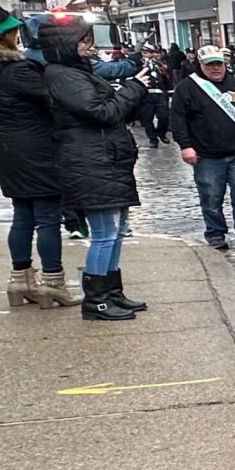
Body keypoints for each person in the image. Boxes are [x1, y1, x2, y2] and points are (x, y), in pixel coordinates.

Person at [0, 0, 73, 310]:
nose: (17, 35)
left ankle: (19, 280)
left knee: (22, 214)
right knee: (48, 217)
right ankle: (53, 282)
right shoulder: (17, 72)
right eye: (12, 31)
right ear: (1, 36)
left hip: (4, 147)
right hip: (36, 147)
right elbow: (55, 98)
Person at [38, 18, 149, 321]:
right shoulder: (64, 76)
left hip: (104, 158)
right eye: (83, 41)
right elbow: (99, 112)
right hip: (90, 161)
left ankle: (112, 292)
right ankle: (97, 300)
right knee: (104, 232)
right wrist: (133, 88)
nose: (88, 47)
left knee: (115, 231)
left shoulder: (75, 73)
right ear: (66, 45)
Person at [170, 41, 235, 251]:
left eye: (219, 63)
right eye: (210, 64)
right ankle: (216, 233)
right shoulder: (187, 88)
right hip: (206, 154)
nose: (216, 68)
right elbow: (178, 120)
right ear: (200, 64)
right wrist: (185, 146)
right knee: (211, 196)